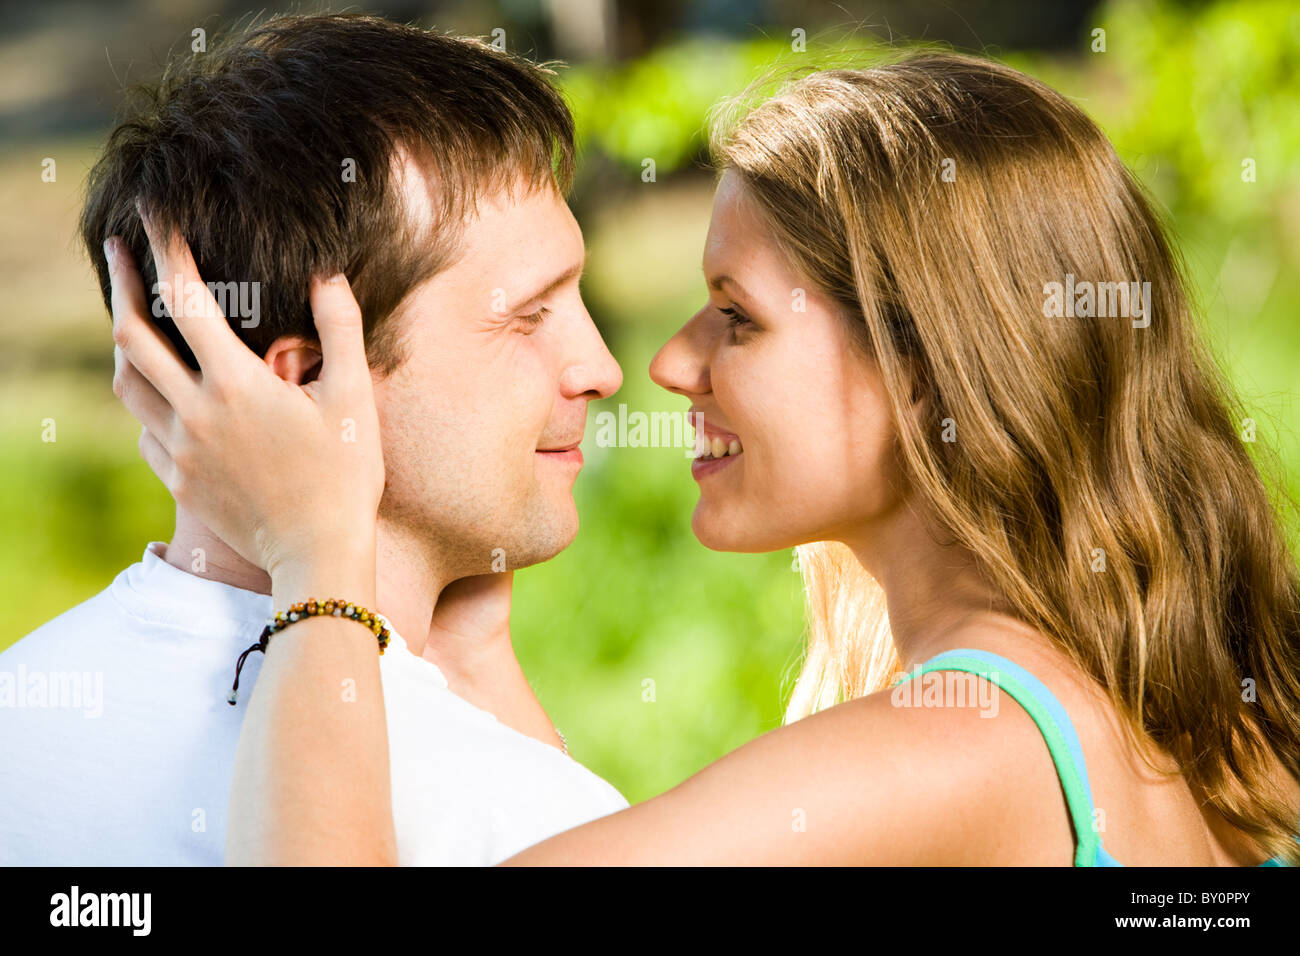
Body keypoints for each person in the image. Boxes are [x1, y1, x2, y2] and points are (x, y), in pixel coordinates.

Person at [109, 52, 1300, 865]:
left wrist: (317, 559)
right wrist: (477, 662)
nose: (668, 361)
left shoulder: (951, 750)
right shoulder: (1134, 713)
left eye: (738, 315)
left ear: (927, 368)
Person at [0, 14, 628, 866]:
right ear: (305, 383)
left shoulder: (22, 712)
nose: (601, 369)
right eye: (527, 317)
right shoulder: (505, 812)